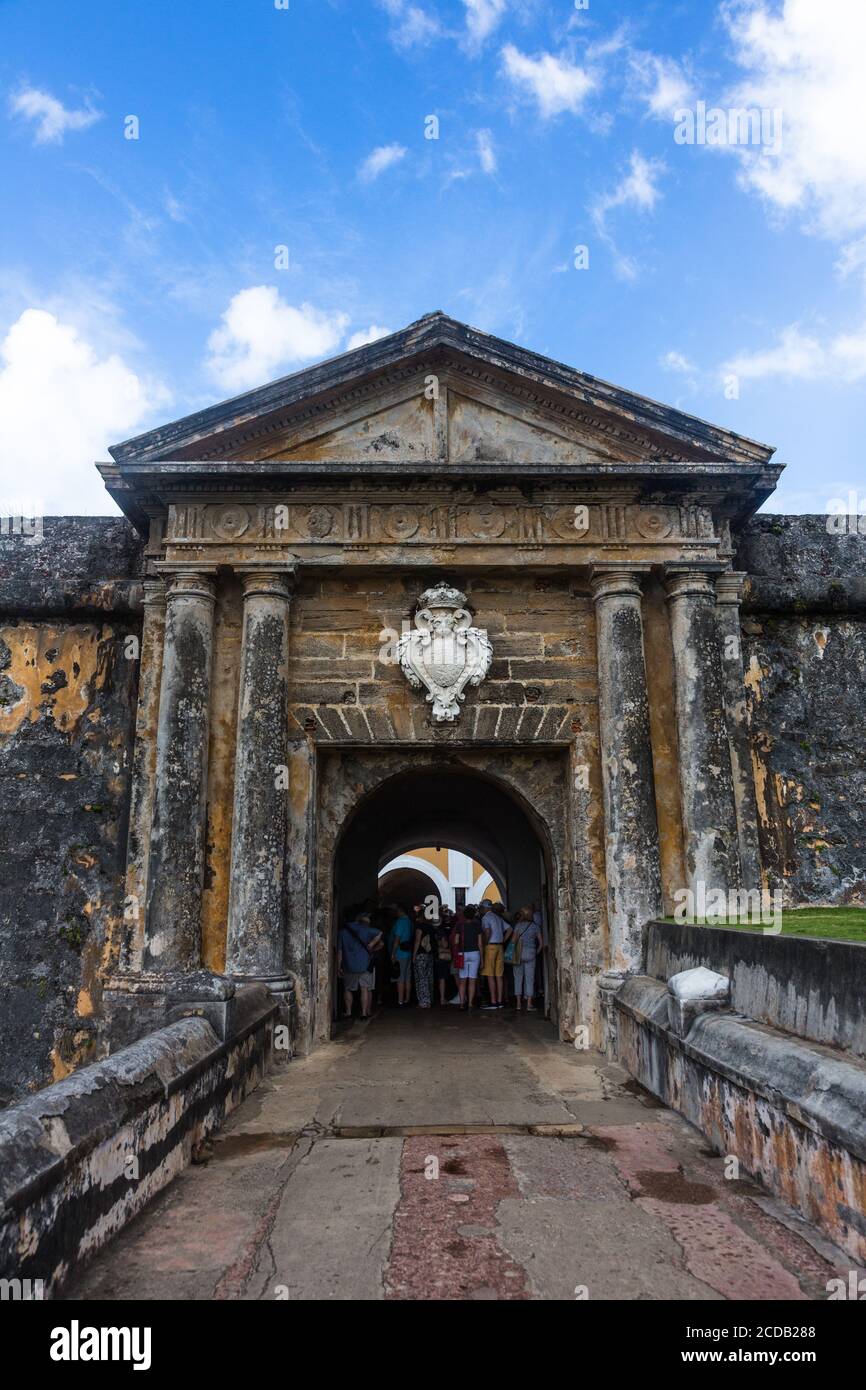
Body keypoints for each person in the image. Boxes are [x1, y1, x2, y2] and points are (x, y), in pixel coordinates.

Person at [336, 911, 383, 1020]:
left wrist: (338, 967)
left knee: (347, 989)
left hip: (349, 964)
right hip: (364, 964)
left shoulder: (342, 932)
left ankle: (348, 1012)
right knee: (364, 988)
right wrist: (372, 944)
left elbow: (340, 952)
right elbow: (380, 933)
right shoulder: (365, 929)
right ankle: (364, 1013)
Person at [511, 905, 544, 1012]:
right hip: (530, 954)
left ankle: (518, 1004)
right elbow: (541, 943)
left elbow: (513, 941)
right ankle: (529, 1004)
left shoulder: (518, 926)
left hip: (519, 954)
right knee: (530, 979)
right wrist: (535, 952)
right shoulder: (535, 926)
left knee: (518, 978)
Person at [480, 898, 510, 1010]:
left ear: (484, 908)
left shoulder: (486, 918)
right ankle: (499, 1001)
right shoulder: (498, 917)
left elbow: (487, 931)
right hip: (500, 947)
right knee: (499, 975)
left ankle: (493, 1002)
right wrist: (503, 940)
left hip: (490, 947)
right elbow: (510, 929)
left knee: (490, 975)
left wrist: (485, 943)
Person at [455, 903, 483, 1009]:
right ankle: (470, 1003)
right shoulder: (477, 925)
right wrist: (482, 958)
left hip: (462, 953)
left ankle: (462, 1002)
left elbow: (456, 941)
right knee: (472, 980)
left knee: (463, 980)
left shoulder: (459, 925)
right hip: (475, 953)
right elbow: (480, 943)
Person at [388, 904, 414, 1006]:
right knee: (407, 977)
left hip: (400, 952)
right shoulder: (409, 922)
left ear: (399, 910)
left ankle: (400, 1000)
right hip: (408, 952)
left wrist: (393, 953)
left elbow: (397, 939)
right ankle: (407, 998)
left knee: (400, 977)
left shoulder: (400, 921)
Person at [413, 910, 435, 1008]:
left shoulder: (419, 927)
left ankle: (424, 1001)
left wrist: (414, 955)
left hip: (421, 954)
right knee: (429, 977)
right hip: (429, 954)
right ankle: (430, 998)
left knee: (421, 978)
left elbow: (418, 941)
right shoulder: (431, 927)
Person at [432, 913, 453, 1005]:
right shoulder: (441, 932)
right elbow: (445, 945)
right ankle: (442, 998)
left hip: (431, 956)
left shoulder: (430, 930)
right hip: (440, 957)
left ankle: (432, 997)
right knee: (442, 978)